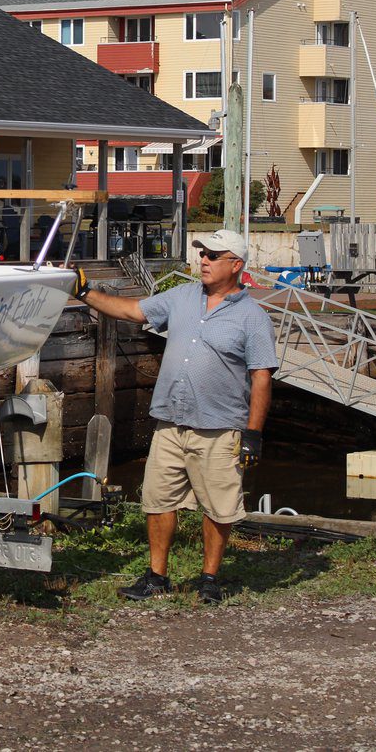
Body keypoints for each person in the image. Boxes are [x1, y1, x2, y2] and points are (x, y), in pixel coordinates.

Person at [73, 229, 277, 604]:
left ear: (236, 265)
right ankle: (156, 577)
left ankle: (210, 579)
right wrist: (85, 291)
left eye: (213, 256)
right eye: (202, 253)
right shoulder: (181, 297)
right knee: (157, 501)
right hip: (170, 422)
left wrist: (253, 434)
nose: (204, 260)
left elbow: (261, 376)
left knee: (217, 507)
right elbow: (133, 311)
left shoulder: (253, 318)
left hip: (219, 429)